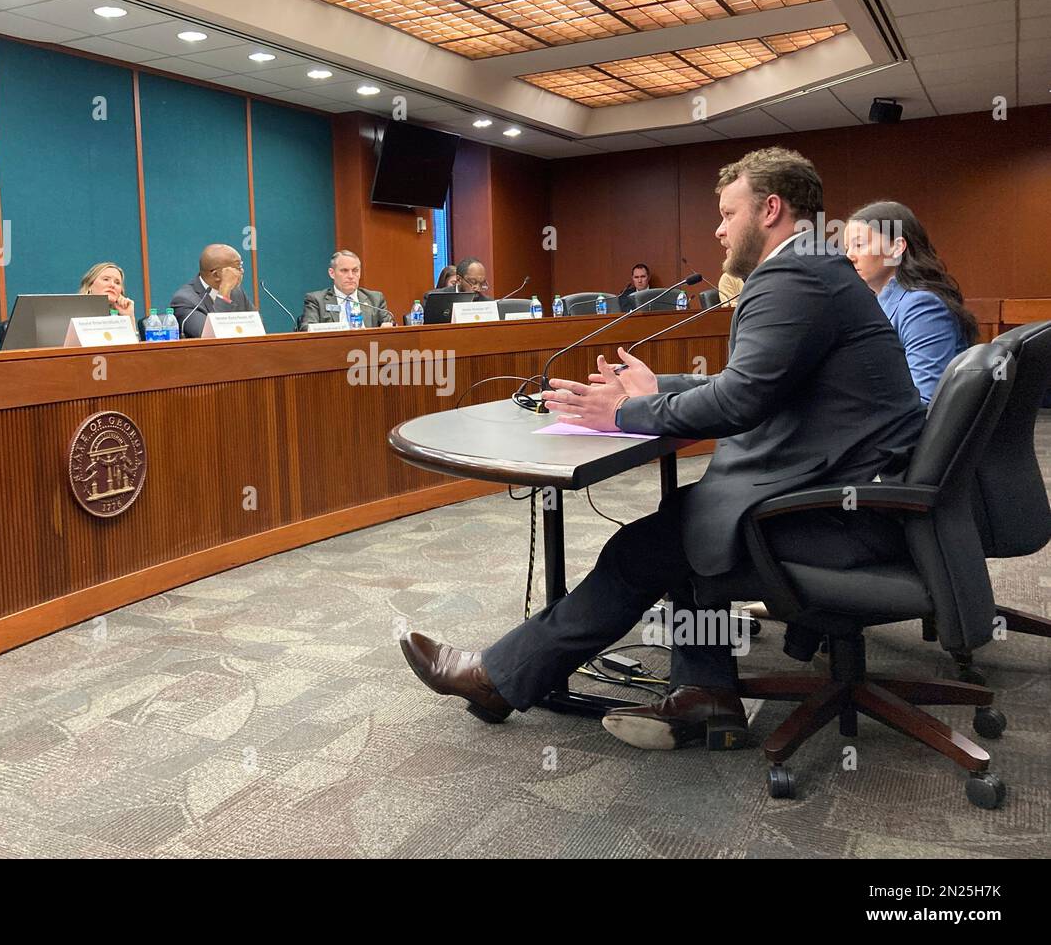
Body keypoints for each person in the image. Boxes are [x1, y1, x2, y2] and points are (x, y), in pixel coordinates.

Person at [399, 147, 925, 750]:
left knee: (651, 544)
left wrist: (622, 411)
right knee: (690, 522)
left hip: (838, 511)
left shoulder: (793, 276)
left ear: (771, 208)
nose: (719, 229)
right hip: (864, 492)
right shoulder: (820, 270)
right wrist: (658, 389)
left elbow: (739, 404)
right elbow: (761, 384)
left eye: (729, 213)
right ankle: (707, 696)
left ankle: (496, 678)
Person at [843, 202, 974, 405]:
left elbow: (924, 399)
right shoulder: (878, 304)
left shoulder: (922, 306)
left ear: (896, 248)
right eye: (847, 247)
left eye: (859, 245)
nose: (849, 256)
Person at [169, 243, 255, 339]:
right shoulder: (184, 300)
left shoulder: (237, 293)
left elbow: (256, 328)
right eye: (237, 267)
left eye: (241, 265)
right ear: (216, 275)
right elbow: (212, 337)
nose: (242, 271)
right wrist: (224, 291)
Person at [300, 250, 392, 329]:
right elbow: (307, 329)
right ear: (332, 273)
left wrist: (388, 327)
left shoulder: (375, 299)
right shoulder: (316, 300)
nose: (351, 276)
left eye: (355, 270)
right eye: (344, 271)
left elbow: (390, 327)